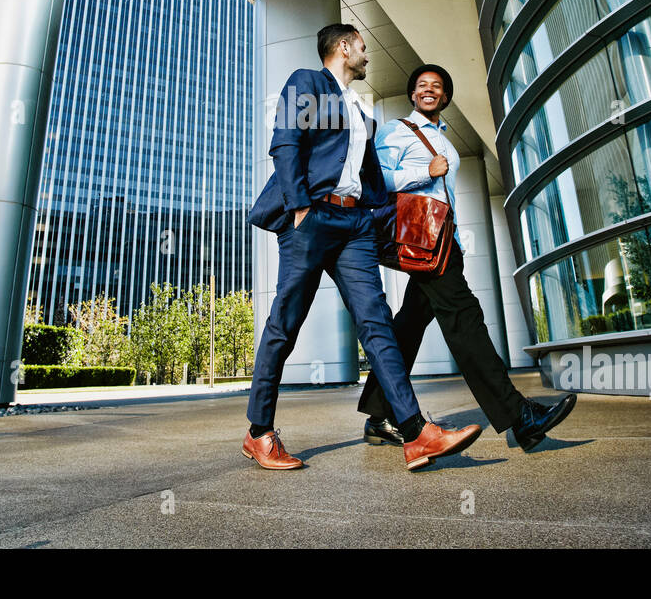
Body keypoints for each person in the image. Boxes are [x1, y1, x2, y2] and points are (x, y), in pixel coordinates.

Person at [245, 26, 482, 471]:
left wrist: (380, 216)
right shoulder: (308, 82)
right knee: (285, 324)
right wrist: (299, 208)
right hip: (312, 217)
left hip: (355, 224)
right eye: (363, 47)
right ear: (343, 47)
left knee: (377, 322)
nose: (367, 55)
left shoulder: (360, 108)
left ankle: (416, 434)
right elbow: (286, 142)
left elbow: (371, 178)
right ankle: (259, 431)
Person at [357, 64, 577, 452]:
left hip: (444, 241)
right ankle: (519, 417)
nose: (429, 91)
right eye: (422, 85)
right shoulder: (396, 131)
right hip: (421, 238)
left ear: (445, 97)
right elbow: (374, 180)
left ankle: (379, 414)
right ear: (412, 95)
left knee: (408, 326)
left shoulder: (447, 140)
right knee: (465, 319)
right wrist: (423, 171)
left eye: (437, 87)